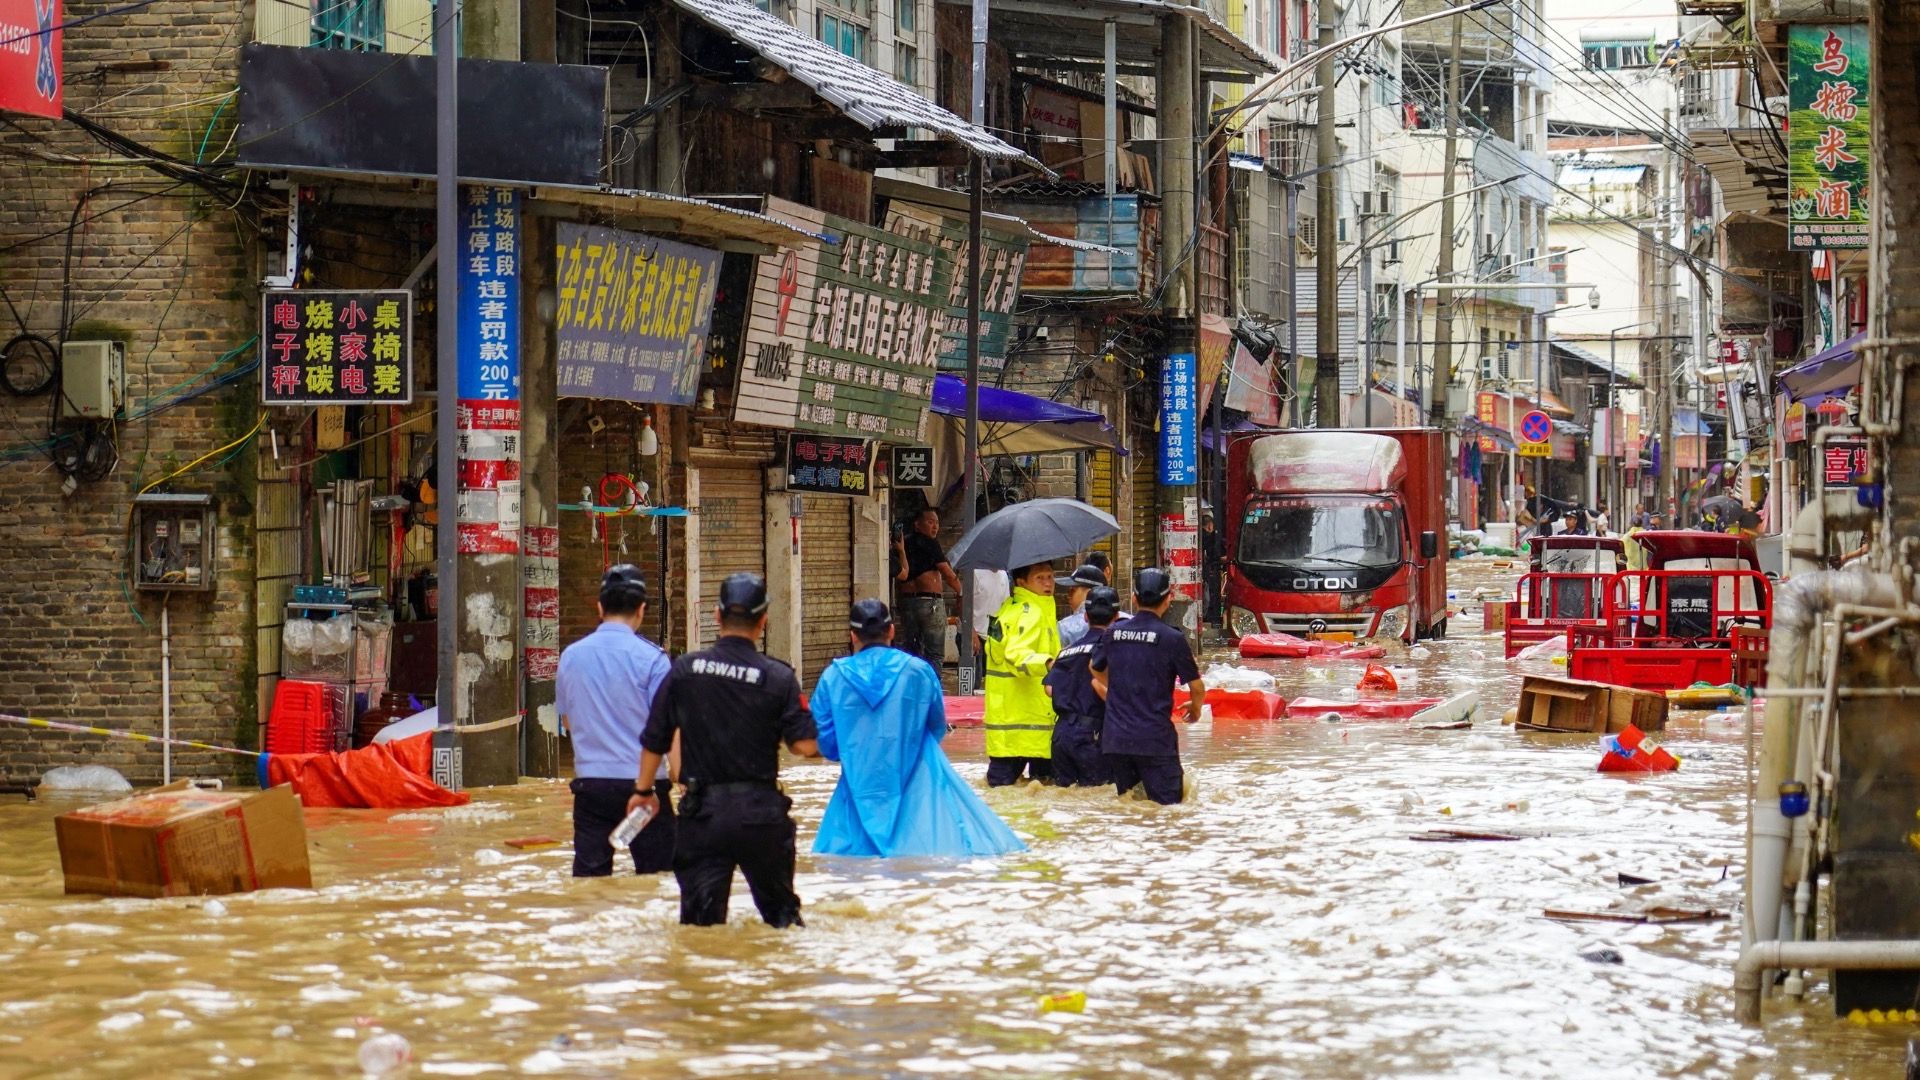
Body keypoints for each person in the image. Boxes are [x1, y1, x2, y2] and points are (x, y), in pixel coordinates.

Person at [632, 573, 820, 928]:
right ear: (763, 621)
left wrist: (642, 792)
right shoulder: (778, 677)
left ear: (717, 616)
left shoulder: (685, 670)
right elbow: (804, 745)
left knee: (700, 930)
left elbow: (654, 739)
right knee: (783, 923)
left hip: (704, 817)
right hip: (760, 816)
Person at [812, 600, 1026, 858]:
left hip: (856, 794)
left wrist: (857, 750)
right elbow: (936, 728)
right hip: (913, 790)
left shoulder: (832, 677)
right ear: (891, 631)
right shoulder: (918, 671)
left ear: (853, 635)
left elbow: (826, 745)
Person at [556, 565, 675, 877]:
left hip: (591, 789)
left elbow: (568, 723)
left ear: (599, 608)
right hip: (645, 787)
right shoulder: (654, 659)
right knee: (659, 879)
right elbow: (667, 727)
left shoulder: (570, 656)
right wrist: (680, 776)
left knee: (590, 883)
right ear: (641, 610)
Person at [1091, 568, 1205, 805]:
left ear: (1133, 598)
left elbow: (1094, 668)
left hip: (1116, 741)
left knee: (1130, 805)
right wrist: (1195, 709)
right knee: (1168, 811)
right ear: (1169, 599)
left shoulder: (1113, 633)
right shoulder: (1171, 638)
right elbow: (1196, 686)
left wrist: (1117, 693)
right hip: (1155, 741)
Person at [982, 561, 1061, 786]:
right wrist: (1048, 663)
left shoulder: (1010, 607)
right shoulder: (1031, 612)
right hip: (1029, 721)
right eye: (1040, 578)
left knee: (1002, 790)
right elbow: (1016, 653)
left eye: (1050, 576)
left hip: (1010, 723)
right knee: (1044, 789)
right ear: (1021, 582)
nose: (1048, 583)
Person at [1043, 586, 1121, 788]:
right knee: (1098, 801)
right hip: (1093, 735)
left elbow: (1049, 690)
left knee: (1066, 801)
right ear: (1117, 616)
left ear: (1086, 617)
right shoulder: (1114, 649)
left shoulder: (1067, 652)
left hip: (1061, 736)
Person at [892, 508, 964, 668]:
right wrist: (961, 590)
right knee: (935, 653)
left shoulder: (903, 545)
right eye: (930, 522)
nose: (935, 527)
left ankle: (912, 688)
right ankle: (932, 688)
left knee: (912, 651)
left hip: (907, 604)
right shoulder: (930, 544)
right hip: (930, 604)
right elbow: (948, 573)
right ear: (917, 524)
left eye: (937, 523)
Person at [970, 567, 1009, 691]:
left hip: (994, 634)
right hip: (975, 631)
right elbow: (962, 602)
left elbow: (1005, 606)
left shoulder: (1003, 575)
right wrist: (971, 633)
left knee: (994, 681)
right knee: (974, 682)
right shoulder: (975, 573)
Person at [1056, 563, 1108, 648]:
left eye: (1072, 591)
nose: (1068, 595)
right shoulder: (1123, 619)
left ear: (1089, 593)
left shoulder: (1064, 627)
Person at [1200, 512, 1225, 626]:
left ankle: (1207, 617)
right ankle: (1210, 618)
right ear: (1210, 525)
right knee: (1209, 595)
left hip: (1204, 571)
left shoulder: (1200, 537)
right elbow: (1212, 554)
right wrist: (1221, 558)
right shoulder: (1209, 538)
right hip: (1208, 570)